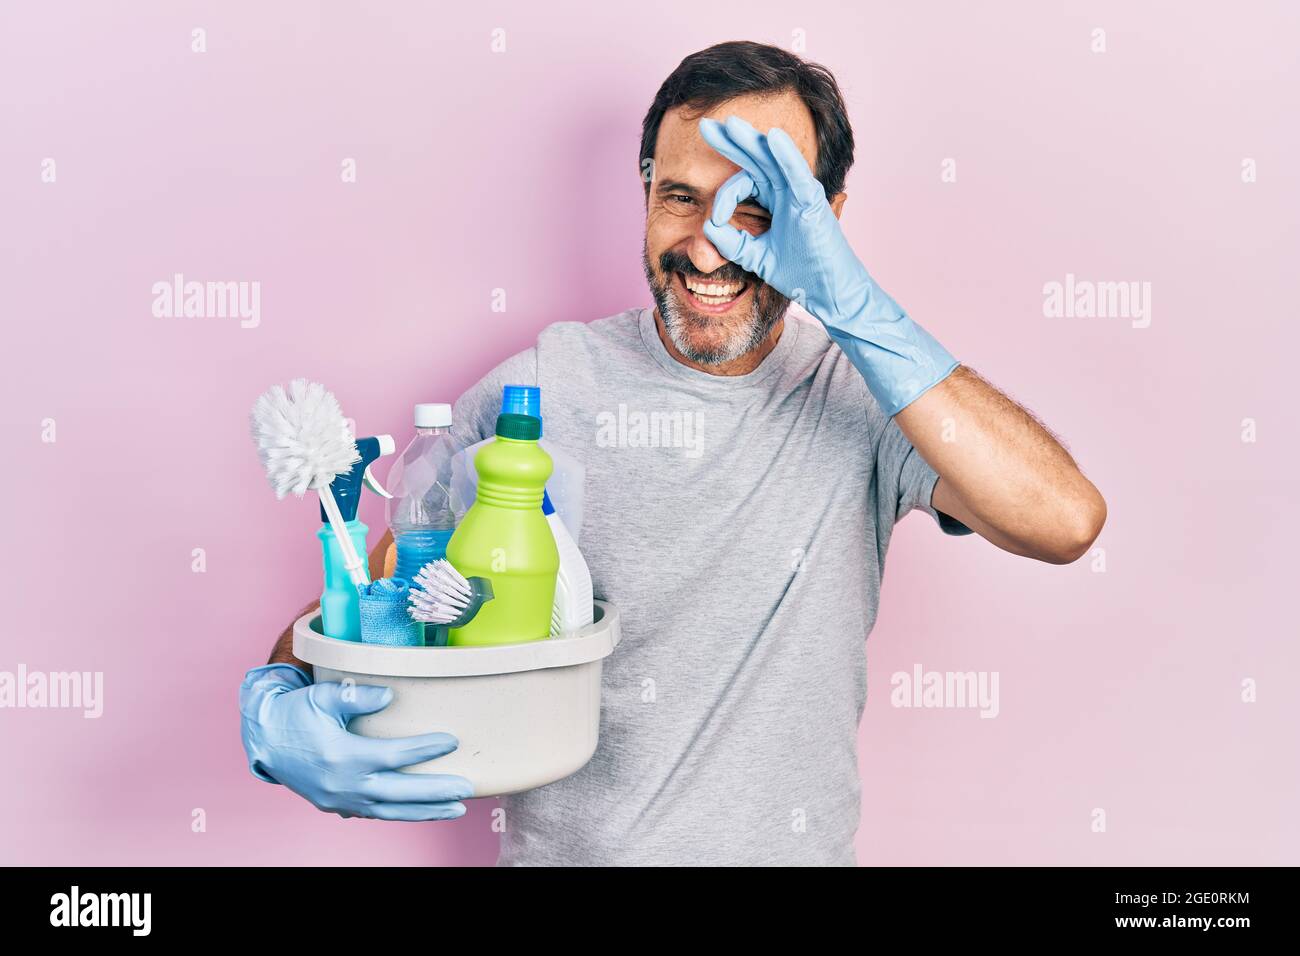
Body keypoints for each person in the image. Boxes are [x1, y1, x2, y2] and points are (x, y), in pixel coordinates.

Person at [240, 41, 1106, 865]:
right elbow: (372, 594)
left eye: (758, 209)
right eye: (682, 196)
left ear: (827, 223)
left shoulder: (872, 397)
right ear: (646, 194)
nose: (708, 247)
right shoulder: (536, 393)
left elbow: (1063, 521)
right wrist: (277, 708)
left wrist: (856, 305)